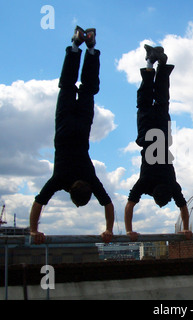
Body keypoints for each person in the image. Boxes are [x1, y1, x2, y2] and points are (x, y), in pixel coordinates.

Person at [30, 26, 114, 244]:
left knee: (87, 88)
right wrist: (33, 230)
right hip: (65, 124)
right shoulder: (60, 179)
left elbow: (108, 204)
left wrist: (109, 229)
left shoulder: (90, 178)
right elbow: (39, 202)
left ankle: (92, 48)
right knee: (67, 86)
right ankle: (76, 45)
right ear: (70, 192)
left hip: (83, 125)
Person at [124, 45, 192, 241]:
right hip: (146, 133)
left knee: (162, 102)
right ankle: (149, 62)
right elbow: (129, 205)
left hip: (161, 131)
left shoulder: (172, 184)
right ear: (152, 194)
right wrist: (129, 230)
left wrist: (186, 228)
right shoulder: (145, 182)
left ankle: (161, 64)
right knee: (144, 102)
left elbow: (183, 207)